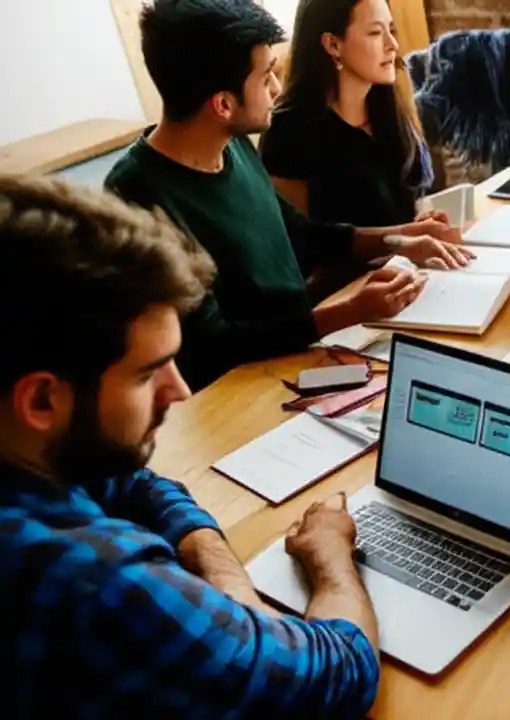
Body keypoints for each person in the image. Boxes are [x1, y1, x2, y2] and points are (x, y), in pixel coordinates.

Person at [0, 175, 380, 718]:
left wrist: (221, 570)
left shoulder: (36, 448)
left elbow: (128, 479)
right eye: (147, 373)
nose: (178, 391)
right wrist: (330, 555)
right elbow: (339, 674)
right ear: (40, 400)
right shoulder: (97, 584)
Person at [105, 0, 472, 392]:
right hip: (238, 389)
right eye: (266, 78)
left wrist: (399, 237)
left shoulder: (231, 144)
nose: (277, 89)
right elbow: (212, 344)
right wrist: (348, 311)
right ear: (224, 104)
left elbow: (297, 232)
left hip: (302, 353)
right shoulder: (139, 195)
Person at [260, 0, 442, 228]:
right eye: (375, 33)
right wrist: (403, 237)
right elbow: (300, 238)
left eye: (391, 30)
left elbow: (411, 206)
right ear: (333, 45)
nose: (392, 44)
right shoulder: (288, 132)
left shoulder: (391, 109)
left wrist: (425, 222)